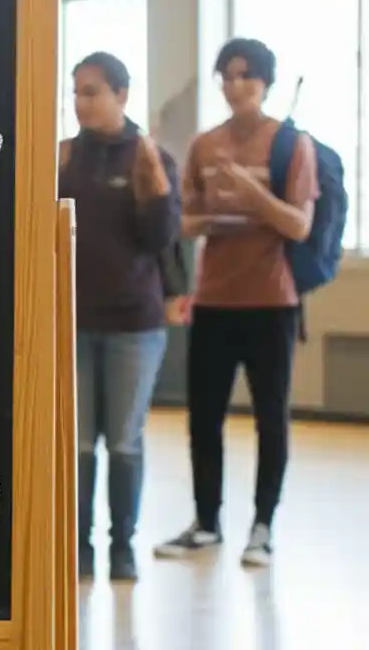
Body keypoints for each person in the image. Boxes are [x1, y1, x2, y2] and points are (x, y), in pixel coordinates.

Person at [154, 38, 317, 568]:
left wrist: (253, 197)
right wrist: (214, 216)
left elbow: (298, 223)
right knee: (203, 416)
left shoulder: (292, 145)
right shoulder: (205, 145)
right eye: (226, 75)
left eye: (245, 75)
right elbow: (179, 221)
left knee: (271, 417)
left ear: (266, 82)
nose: (234, 85)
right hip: (216, 302)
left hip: (272, 302)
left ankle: (263, 526)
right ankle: (206, 522)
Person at [58, 53, 180, 582]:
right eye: (77, 91)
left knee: (124, 440)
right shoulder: (63, 157)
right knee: (79, 442)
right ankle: (78, 547)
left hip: (135, 325)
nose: (82, 102)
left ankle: (122, 546)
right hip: (74, 322)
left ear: (122, 95)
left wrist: (154, 189)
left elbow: (160, 242)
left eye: (93, 91)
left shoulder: (150, 157)